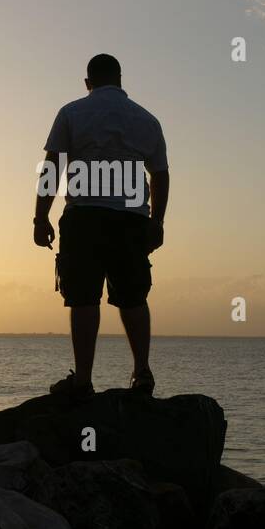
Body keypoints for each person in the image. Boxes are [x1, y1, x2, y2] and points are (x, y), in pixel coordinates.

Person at [33, 54, 169, 398]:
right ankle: (142, 373)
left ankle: (82, 380)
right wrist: (157, 222)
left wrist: (40, 216)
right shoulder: (146, 119)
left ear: (87, 83)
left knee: (82, 298)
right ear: (120, 79)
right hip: (131, 220)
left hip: (85, 219)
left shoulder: (71, 113)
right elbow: (160, 174)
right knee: (134, 297)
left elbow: (52, 168)